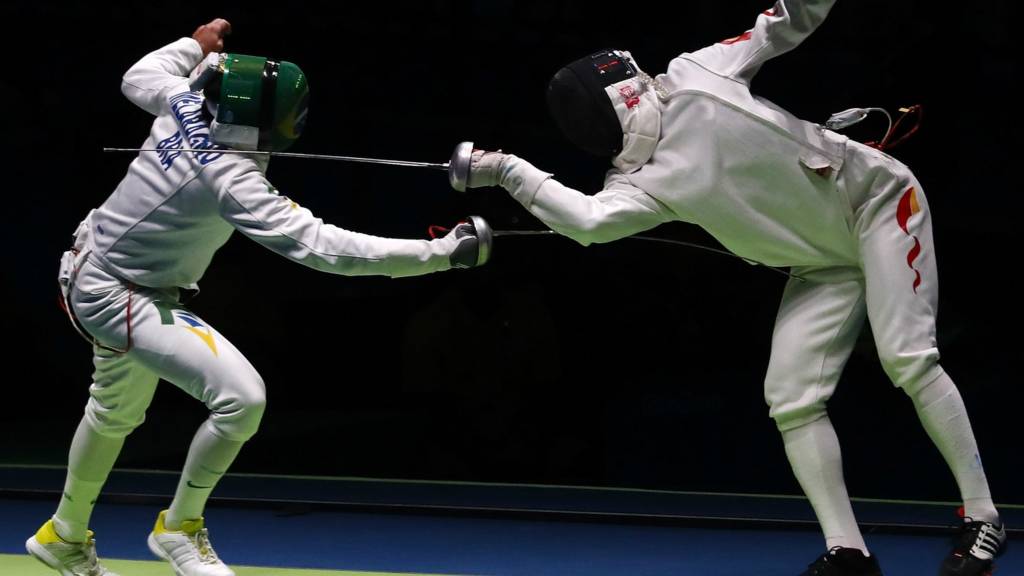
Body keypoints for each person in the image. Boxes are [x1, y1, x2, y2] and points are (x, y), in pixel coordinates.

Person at [465, 2, 1006, 575]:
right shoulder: (639, 182)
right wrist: (506, 169)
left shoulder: (694, 72)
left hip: (877, 202)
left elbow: (783, 23)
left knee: (907, 357)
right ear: (620, 96)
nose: (645, 77)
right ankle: (849, 552)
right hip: (822, 266)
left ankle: (984, 517)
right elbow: (588, 223)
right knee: (792, 399)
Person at [28, 18, 490, 576]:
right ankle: (179, 528)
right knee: (241, 399)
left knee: (114, 411)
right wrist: (439, 254)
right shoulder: (231, 178)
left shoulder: (183, 101)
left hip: (94, 266)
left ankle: (63, 536)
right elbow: (328, 249)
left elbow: (139, 75)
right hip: (116, 291)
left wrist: (192, 47)